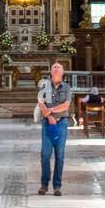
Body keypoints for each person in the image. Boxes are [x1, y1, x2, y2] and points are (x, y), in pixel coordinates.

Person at [37, 61, 71, 196]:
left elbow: (66, 105)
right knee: (45, 155)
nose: (56, 69)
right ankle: (44, 184)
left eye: (59, 67)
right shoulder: (44, 86)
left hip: (62, 123)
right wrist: (49, 115)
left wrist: (50, 111)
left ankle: (57, 186)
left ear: (63, 72)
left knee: (60, 155)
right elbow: (40, 103)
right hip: (47, 123)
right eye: (54, 67)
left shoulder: (67, 88)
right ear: (51, 72)